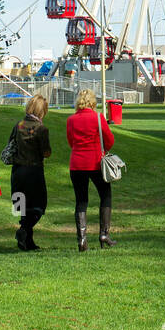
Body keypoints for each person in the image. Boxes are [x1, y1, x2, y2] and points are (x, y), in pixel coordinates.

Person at [66, 89, 116, 251]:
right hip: (95, 162)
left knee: (81, 200)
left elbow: (70, 141)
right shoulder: (98, 117)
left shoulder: (71, 120)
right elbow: (109, 139)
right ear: (92, 102)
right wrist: (104, 150)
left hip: (77, 164)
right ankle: (104, 233)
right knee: (105, 195)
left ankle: (82, 239)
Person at [9, 95, 51, 252]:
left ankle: (28, 241)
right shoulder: (41, 129)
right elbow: (46, 152)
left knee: (23, 208)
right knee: (38, 207)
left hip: (18, 171)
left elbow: (10, 145)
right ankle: (23, 232)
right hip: (34, 172)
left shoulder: (18, 125)